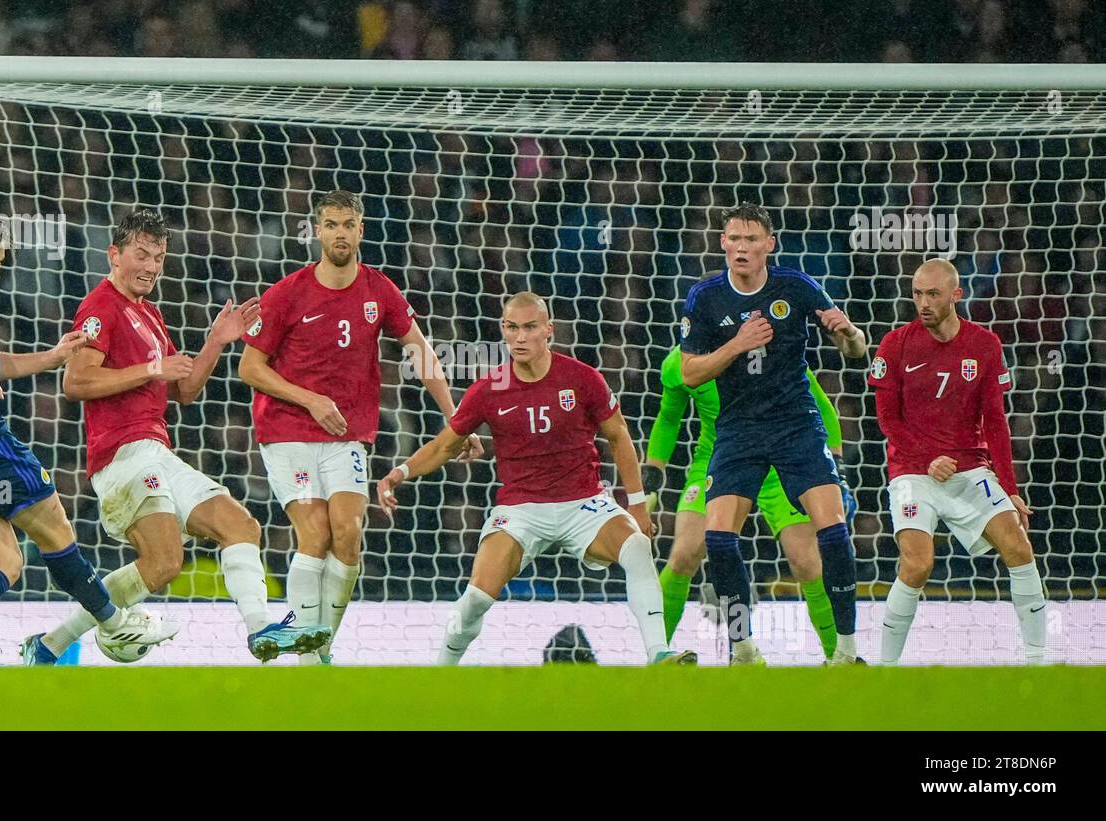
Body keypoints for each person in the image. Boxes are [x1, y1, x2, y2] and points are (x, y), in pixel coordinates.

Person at [24, 209, 329, 665]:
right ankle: (51, 643)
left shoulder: (150, 315)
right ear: (115, 254)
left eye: (159, 257)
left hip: (157, 452)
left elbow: (184, 390)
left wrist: (215, 342)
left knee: (241, 526)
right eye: (141, 254)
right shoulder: (100, 306)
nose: (151, 266)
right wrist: (152, 368)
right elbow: (76, 383)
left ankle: (262, 630)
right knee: (164, 563)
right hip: (122, 455)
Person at [0, 213, 177, 665]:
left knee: (5, 559)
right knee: (56, 529)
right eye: (0, 258)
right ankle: (112, 623)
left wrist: (52, 356)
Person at [239, 189, 481, 664]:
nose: (340, 233)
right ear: (316, 232)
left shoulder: (379, 290)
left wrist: (455, 415)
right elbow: (250, 368)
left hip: (347, 434)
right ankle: (309, 660)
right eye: (330, 225)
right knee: (315, 536)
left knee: (348, 534)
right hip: (287, 430)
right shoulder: (287, 292)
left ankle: (320, 643)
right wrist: (310, 400)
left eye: (347, 224)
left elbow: (420, 351)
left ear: (360, 230)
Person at [377, 292, 671, 666]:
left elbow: (619, 436)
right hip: (520, 509)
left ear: (548, 330)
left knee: (636, 547)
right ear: (503, 330)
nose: (519, 337)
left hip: (583, 502)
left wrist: (638, 504)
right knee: (477, 597)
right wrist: (400, 472)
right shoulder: (490, 388)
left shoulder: (582, 379)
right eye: (512, 328)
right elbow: (445, 445)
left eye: (530, 327)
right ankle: (441, 672)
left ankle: (658, 654)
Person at [677, 203, 868, 665]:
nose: (741, 248)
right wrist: (738, 343)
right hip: (739, 429)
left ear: (769, 245)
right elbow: (689, 374)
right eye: (734, 239)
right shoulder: (704, 298)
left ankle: (846, 650)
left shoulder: (795, 287)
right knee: (719, 537)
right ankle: (742, 647)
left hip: (795, 424)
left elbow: (856, 349)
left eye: (751, 240)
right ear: (723, 242)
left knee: (833, 529)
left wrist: (849, 335)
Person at [869, 259, 1045, 665]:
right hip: (913, 470)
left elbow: (997, 423)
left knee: (1018, 545)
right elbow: (888, 419)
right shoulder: (894, 344)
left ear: (956, 295)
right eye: (917, 293)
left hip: (969, 469)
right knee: (917, 564)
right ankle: (884, 670)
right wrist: (928, 458)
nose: (923, 303)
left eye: (933, 294)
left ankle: (1042, 663)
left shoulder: (984, 345)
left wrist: (1012, 490)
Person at [646, 342, 855, 664]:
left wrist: (836, 467)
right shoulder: (680, 362)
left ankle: (840, 659)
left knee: (807, 562)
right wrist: (652, 474)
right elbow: (669, 417)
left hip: (780, 460)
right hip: (716, 460)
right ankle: (659, 654)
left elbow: (821, 405)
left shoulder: (769, 347)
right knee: (685, 553)